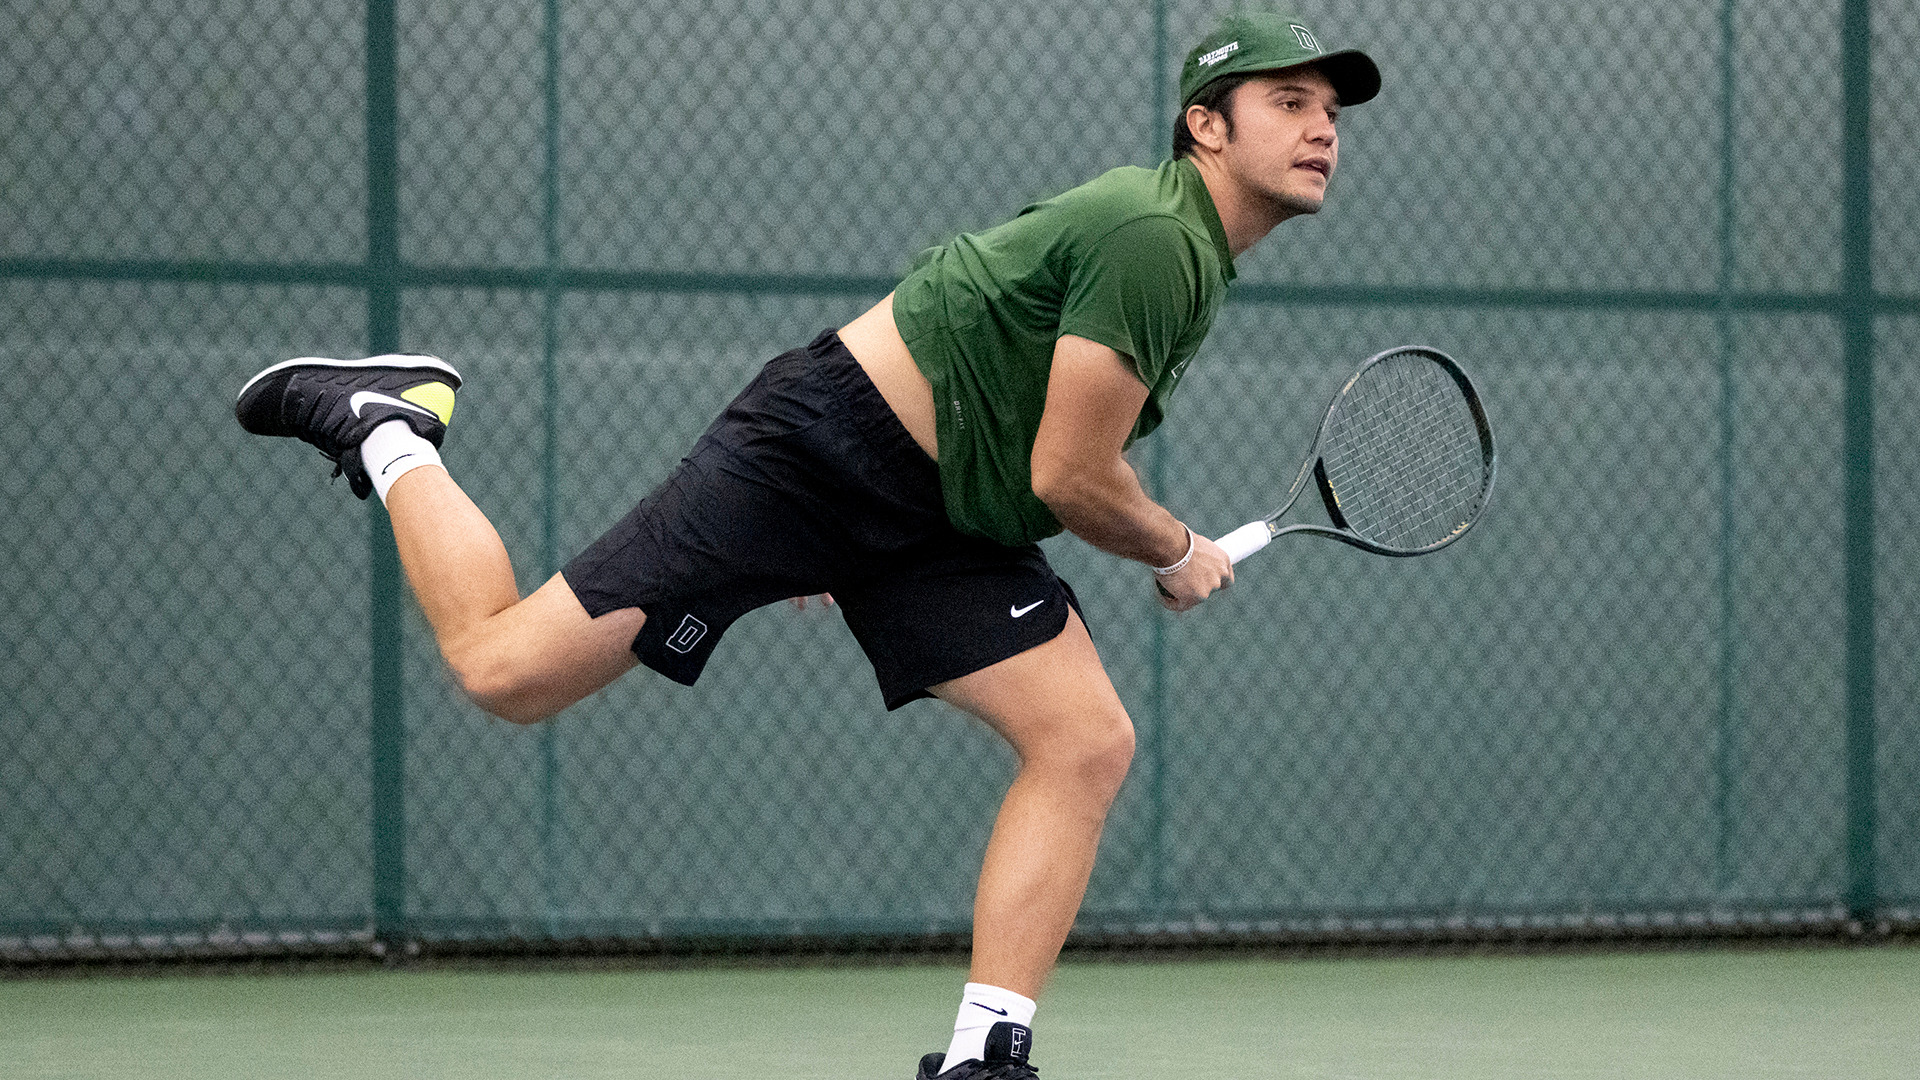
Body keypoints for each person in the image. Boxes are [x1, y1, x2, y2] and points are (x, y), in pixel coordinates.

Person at [235, 12, 1378, 1078]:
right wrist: (1176, 546)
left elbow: (1029, 436)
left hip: (940, 520)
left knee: (1083, 739)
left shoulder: (1190, 258)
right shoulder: (1154, 234)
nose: (1321, 126)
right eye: (1286, 101)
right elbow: (1070, 476)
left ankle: (989, 1053)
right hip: (820, 456)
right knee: (504, 671)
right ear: (1206, 126)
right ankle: (388, 425)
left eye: (1330, 108)